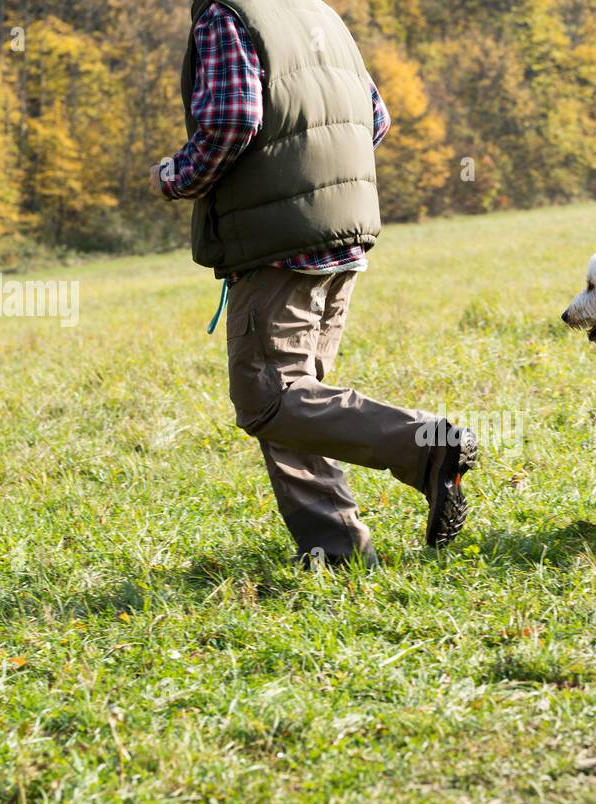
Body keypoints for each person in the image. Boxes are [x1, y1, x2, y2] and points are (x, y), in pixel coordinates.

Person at [151, 0, 476, 568]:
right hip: (341, 233)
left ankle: (426, 444)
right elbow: (375, 117)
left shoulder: (226, 15)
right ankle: (336, 548)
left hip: (280, 243)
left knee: (270, 401)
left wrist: (176, 177)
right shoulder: (317, 12)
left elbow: (231, 121)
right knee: (299, 396)